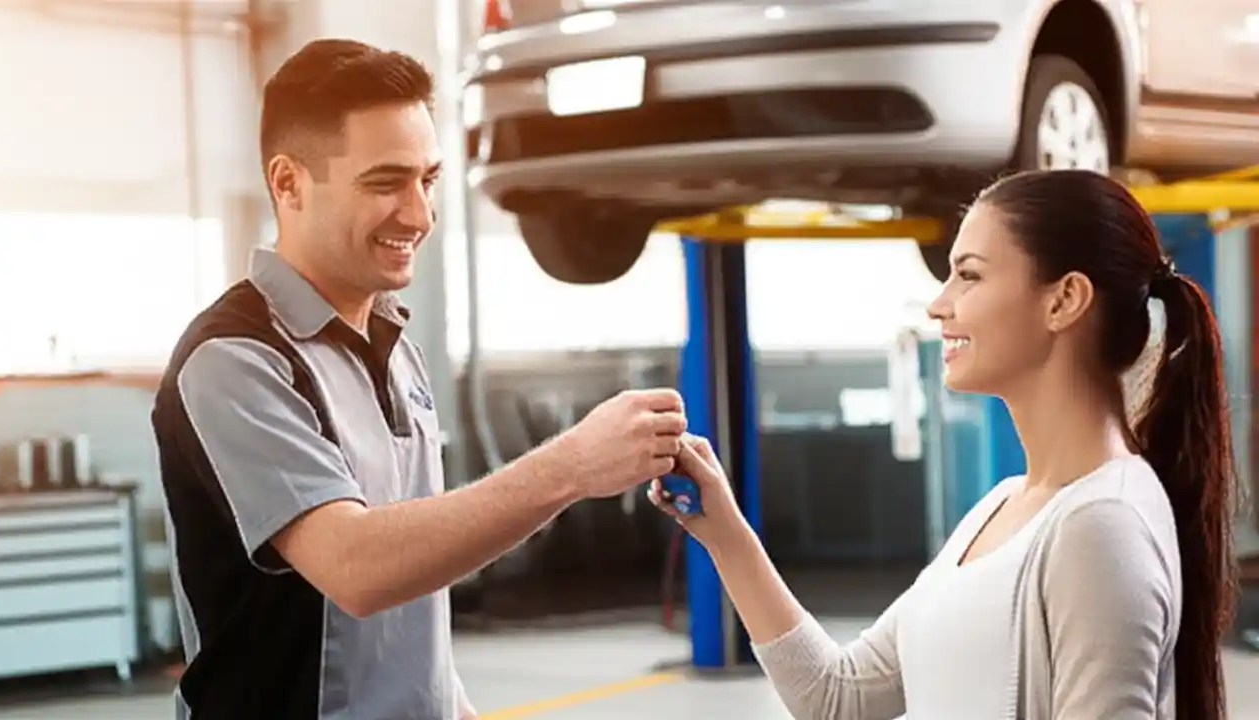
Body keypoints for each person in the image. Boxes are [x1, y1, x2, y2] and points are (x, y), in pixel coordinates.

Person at [150, 38, 687, 719]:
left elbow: (410, 619)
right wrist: (574, 465)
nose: (420, 214)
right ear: (288, 184)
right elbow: (358, 569)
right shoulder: (234, 359)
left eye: (427, 180)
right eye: (385, 183)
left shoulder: (398, 348)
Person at [652, 169, 1237, 719]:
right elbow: (837, 695)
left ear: (1063, 301)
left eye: (970, 275)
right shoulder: (1006, 505)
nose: (939, 304)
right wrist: (722, 529)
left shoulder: (1100, 524)